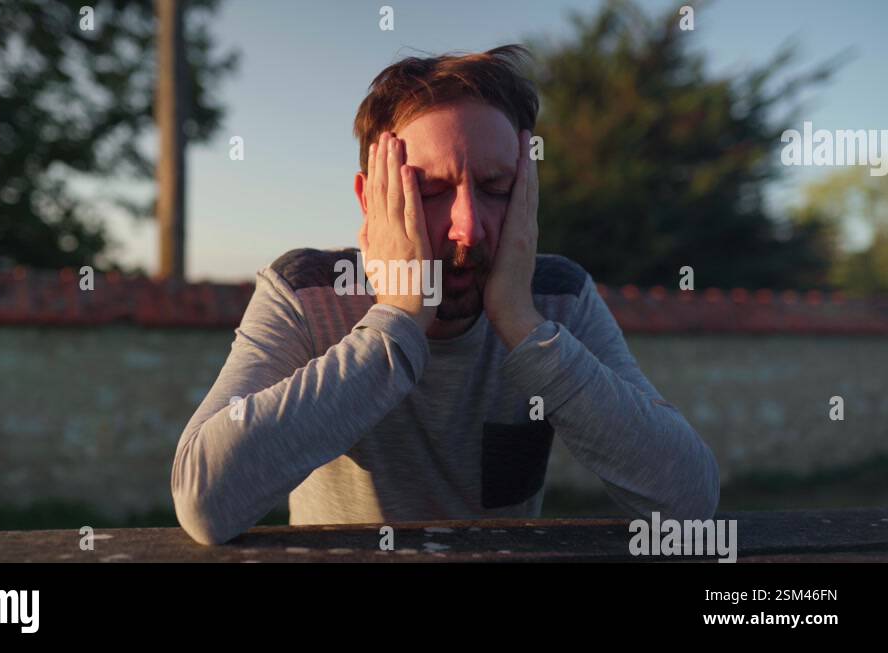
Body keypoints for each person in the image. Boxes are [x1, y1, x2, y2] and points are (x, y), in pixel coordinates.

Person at [171, 44, 720, 545]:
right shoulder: (306, 291)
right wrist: (401, 318)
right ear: (371, 199)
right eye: (429, 191)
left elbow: (689, 503)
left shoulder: (558, 298)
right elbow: (206, 502)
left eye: (496, 189)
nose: (469, 228)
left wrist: (522, 326)